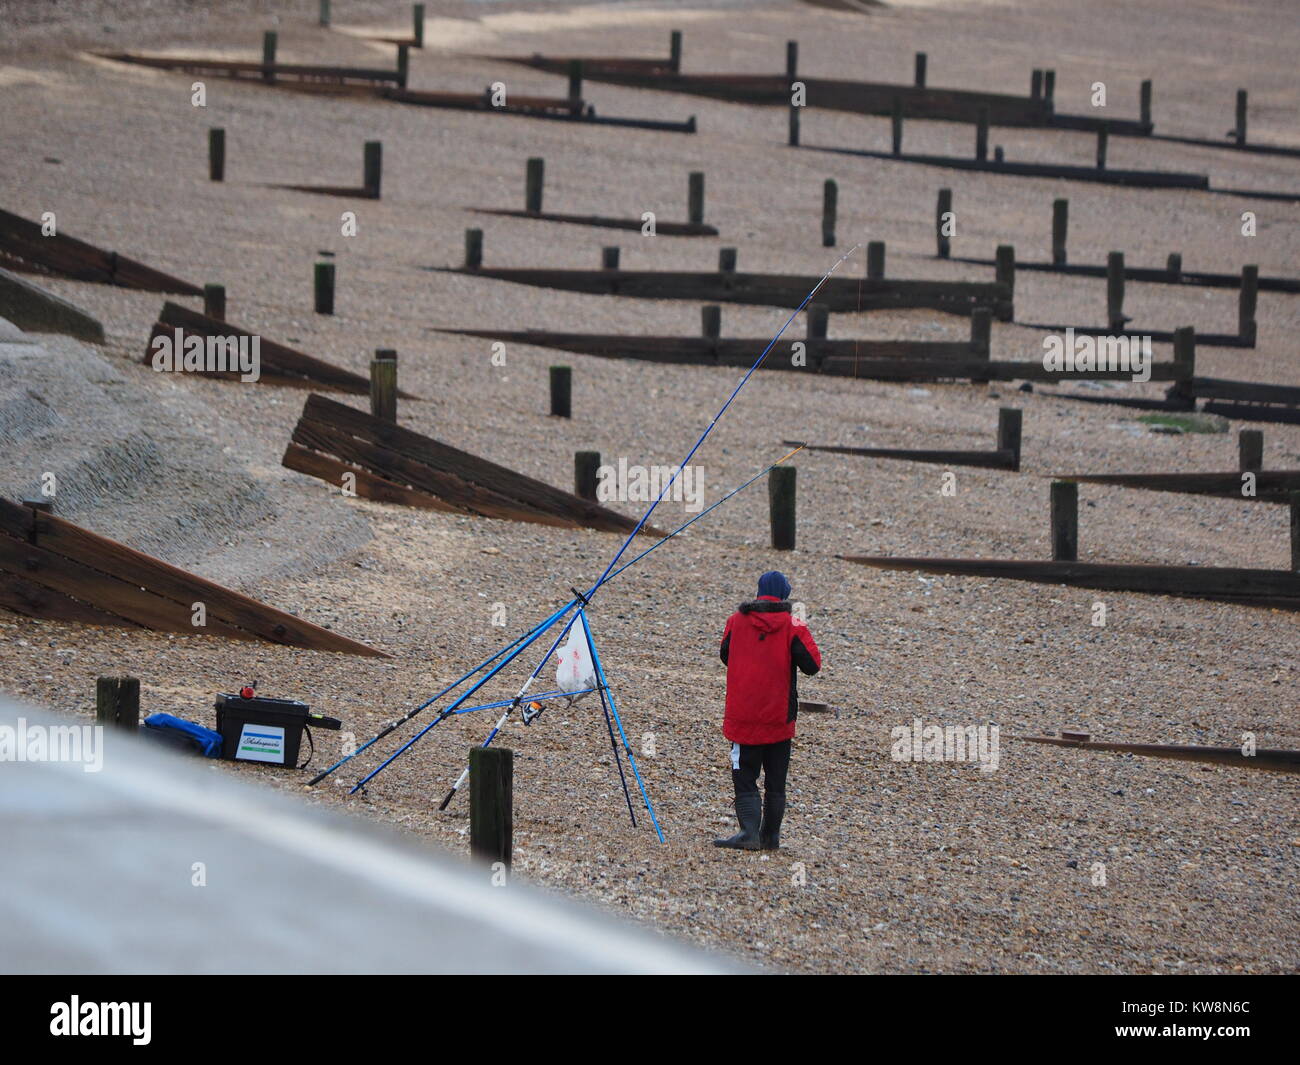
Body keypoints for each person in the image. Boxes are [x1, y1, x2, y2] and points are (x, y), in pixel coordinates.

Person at [714, 570, 821, 851]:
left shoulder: (736, 621)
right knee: (776, 779)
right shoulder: (794, 624)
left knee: (745, 774)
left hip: (743, 713)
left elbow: (726, 655)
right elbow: (812, 665)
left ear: (759, 593)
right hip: (778, 716)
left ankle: (749, 833)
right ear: (785, 594)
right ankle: (770, 836)